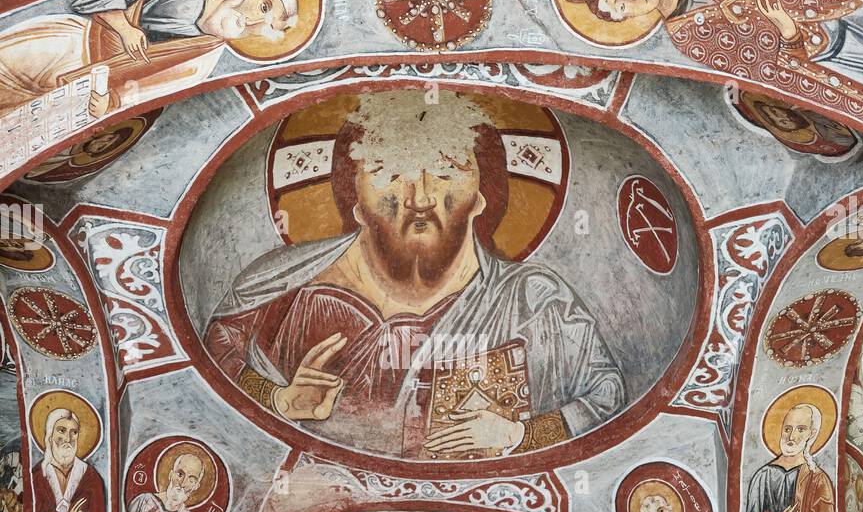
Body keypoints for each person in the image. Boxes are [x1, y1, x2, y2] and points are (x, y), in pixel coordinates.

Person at [207, 90, 624, 458]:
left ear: (481, 196)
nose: (420, 197)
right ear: (353, 199)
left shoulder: (533, 300)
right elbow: (216, 354)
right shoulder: (282, 285)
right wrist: (278, 400)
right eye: (390, 173)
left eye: (446, 171)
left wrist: (519, 435)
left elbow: (607, 397)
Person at [561, 0, 863, 117]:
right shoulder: (687, 40)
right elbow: (763, 72)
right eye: (620, 7)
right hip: (829, 58)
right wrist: (787, 31)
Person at [0, 0, 299, 120]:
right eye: (264, 7)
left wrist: (109, 103)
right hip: (69, 43)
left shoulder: (203, 62)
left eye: (268, 27)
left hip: (79, 90)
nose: (255, 23)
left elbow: (145, 92)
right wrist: (125, 29)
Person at [127, 449, 205, 512]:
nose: (183, 483)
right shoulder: (142, 501)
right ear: (171, 474)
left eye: (191, 480)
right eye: (180, 474)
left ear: (196, 486)